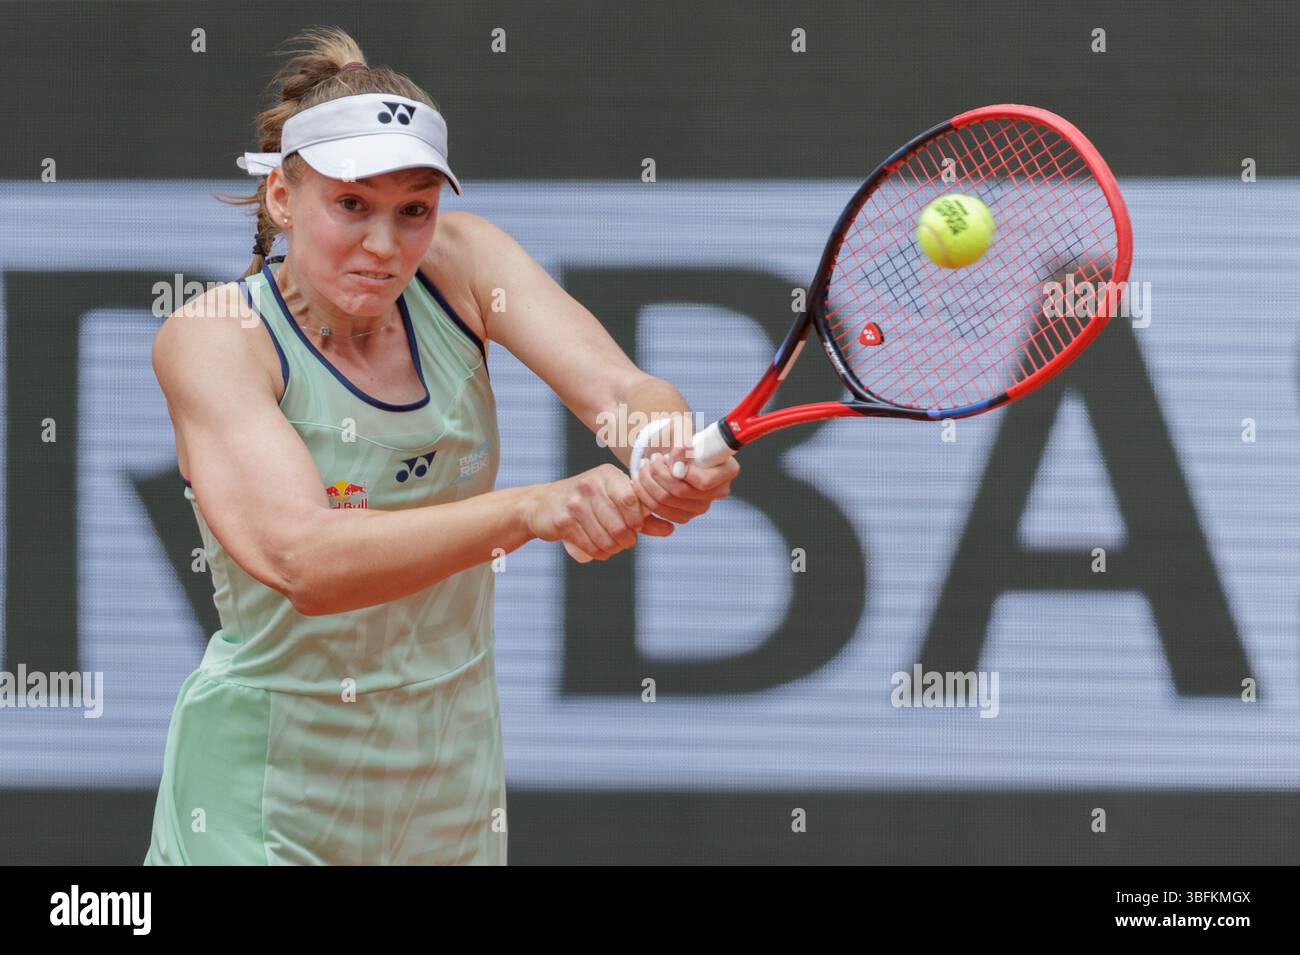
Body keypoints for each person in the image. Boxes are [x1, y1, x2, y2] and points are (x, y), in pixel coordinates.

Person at [143, 27, 738, 865]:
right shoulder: (212, 339)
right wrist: (535, 507)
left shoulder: (462, 267)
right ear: (282, 197)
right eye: (351, 204)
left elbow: (622, 393)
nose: (385, 246)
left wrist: (661, 445)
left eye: (413, 209)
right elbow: (304, 559)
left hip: (448, 794)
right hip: (260, 802)